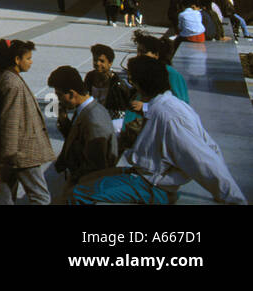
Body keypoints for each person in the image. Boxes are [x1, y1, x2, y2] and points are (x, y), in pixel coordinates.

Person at [66, 57, 247, 205]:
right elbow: (210, 145)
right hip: (145, 175)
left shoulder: (169, 116)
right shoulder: (167, 105)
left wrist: (233, 198)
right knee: (87, 179)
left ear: (140, 84)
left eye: (132, 80)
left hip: (152, 185)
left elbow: (202, 159)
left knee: (79, 194)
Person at [0, 38, 55, 205]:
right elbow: (10, 119)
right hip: (21, 152)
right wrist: (10, 153)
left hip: (12, 151)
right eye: (28, 58)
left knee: (5, 195)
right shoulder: (12, 82)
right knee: (41, 197)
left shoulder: (6, 77)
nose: (31, 62)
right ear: (17, 60)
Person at [46, 66, 117, 200]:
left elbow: (96, 166)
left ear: (72, 93)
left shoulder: (94, 119)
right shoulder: (85, 110)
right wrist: (64, 122)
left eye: (60, 95)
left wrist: (74, 187)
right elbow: (78, 140)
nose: (59, 100)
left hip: (85, 188)